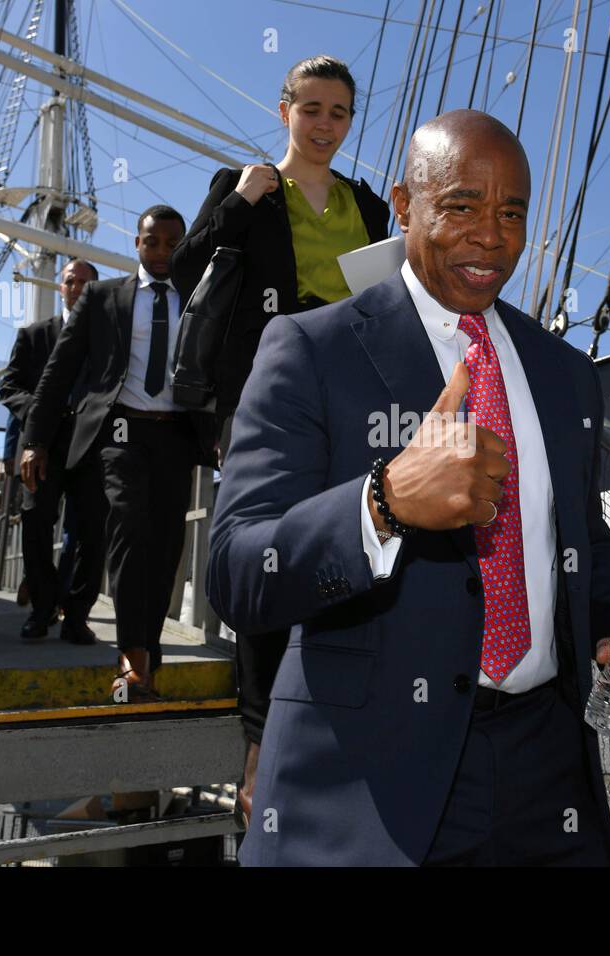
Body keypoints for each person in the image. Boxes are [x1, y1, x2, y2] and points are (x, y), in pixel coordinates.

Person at [206, 110, 610, 866]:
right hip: (372, 785)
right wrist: (383, 503)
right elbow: (238, 572)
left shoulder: (565, 375)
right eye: (461, 205)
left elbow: (581, 544)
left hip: (548, 772)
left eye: (511, 213)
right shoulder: (308, 348)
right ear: (403, 205)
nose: (491, 236)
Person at [170, 55, 391, 823]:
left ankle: (352, 716)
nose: (325, 125)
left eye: (339, 113)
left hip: (356, 389)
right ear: (285, 108)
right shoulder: (248, 183)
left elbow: (387, 296)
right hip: (270, 387)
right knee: (269, 550)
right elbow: (185, 268)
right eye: (313, 109)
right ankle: (261, 740)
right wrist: (237, 202)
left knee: (358, 541)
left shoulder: (367, 202)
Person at [21, 206, 215, 700]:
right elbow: (58, 372)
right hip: (120, 431)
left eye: (174, 244)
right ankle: (133, 658)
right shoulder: (103, 299)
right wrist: (35, 441)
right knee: (127, 529)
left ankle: (148, 644)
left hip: (176, 434)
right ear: (137, 243)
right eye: (154, 242)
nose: (163, 253)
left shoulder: (200, 298)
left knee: (167, 541)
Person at [0, 258, 106, 643]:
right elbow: (9, 387)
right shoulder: (34, 336)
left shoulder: (109, 339)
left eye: (84, 283)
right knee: (36, 526)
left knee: (92, 533)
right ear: (60, 287)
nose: (75, 288)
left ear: (95, 290)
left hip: (91, 448)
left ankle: (76, 616)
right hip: (42, 448)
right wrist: (41, 414)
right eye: (69, 281)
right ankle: (42, 611)